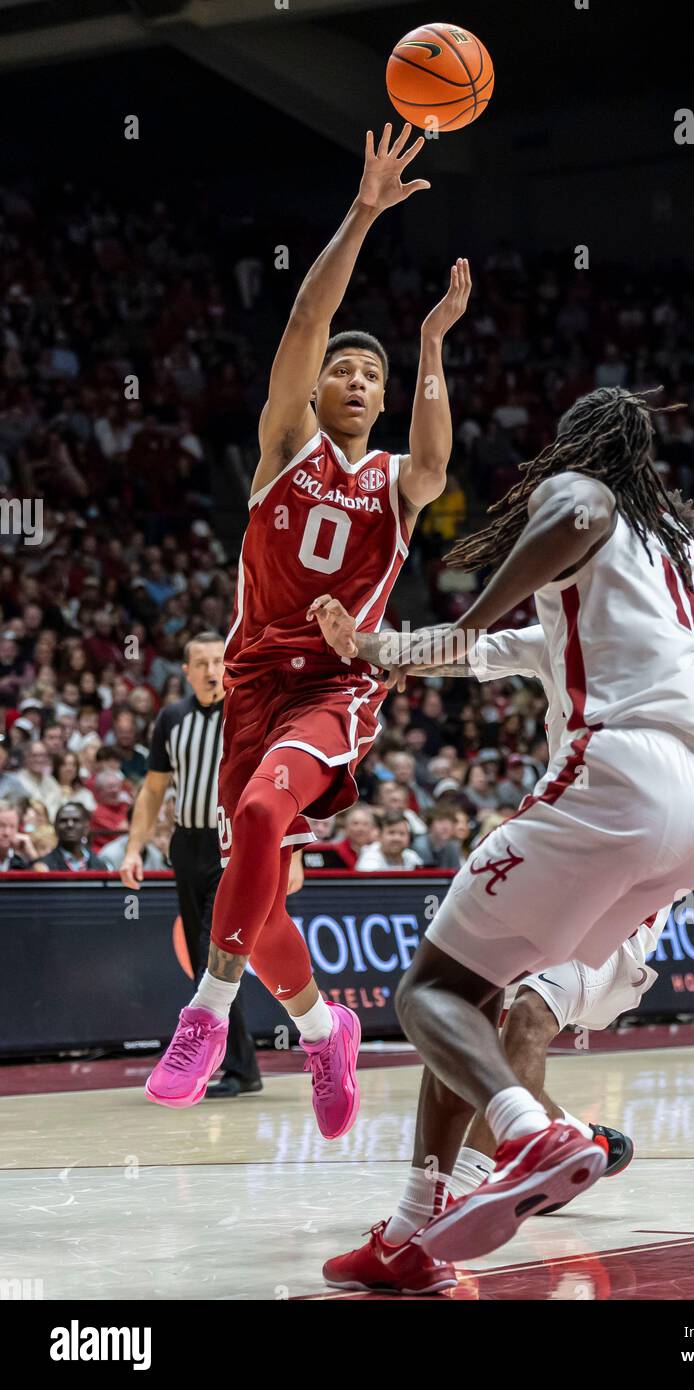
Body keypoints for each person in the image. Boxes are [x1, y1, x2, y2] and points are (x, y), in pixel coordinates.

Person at [312, 384, 694, 1288]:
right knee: (474, 993)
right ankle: (411, 1234)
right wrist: (378, 648)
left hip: (623, 777)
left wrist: (468, 613)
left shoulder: (585, 496)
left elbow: (560, 527)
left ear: (576, 453)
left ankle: (532, 1133)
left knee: (426, 992)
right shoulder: (684, 555)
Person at [145, 123, 472, 1139]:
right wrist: (366, 210)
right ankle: (324, 1028)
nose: (355, 380)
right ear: (318, 387)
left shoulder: (396, 485)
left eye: (371, 376)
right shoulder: (283, 446)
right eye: (345, 370)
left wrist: (426, 347)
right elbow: (303, 317)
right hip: (250, 682)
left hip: (333, 692)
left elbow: (431, 460)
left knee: (252, 823)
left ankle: (204, 1011)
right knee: (267, 905)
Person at [122, 633, 264, 1097]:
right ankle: (235, 1063)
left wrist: (292, 853)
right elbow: (154, 789)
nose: (209, 670)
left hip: (235, 846)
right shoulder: (171, 718)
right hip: (187, 845)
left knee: (214, 953)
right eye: (200, 663)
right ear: (185, 672)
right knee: (204, 958)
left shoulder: (247, 711)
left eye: (218, 661)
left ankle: (239, 1067)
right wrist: (132, 848)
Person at [35, 802, 108, 871]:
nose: (70, 825)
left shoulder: (100, 864)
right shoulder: (44, 867)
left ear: (86, 827)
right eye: (64, 821)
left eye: (76, 820)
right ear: (55, 827)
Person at [356, 811, 423, 871]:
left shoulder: (412, 857)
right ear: (380, 835)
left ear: (409, 838)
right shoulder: (369, 857)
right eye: (391, 832)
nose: (397, 838)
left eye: (402, 833)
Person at [0, 798, 37, 870]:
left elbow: (43, 879)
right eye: (1, 825)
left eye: (12, 826)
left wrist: (32, 855)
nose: (7, 833)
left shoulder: (20, 861)